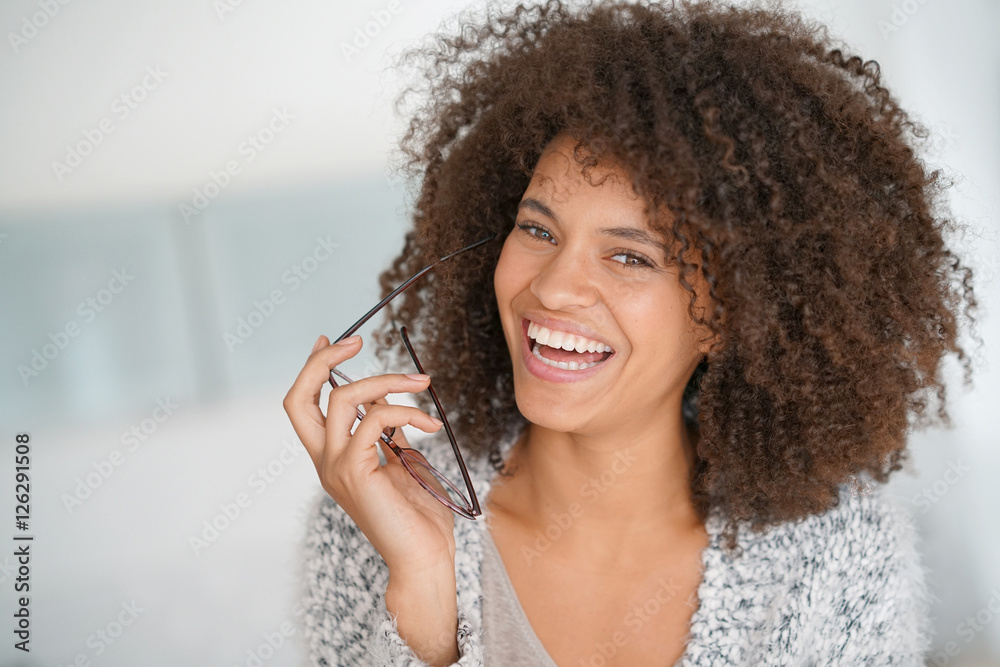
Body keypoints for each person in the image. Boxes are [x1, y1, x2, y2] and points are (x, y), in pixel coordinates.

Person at [283, 1, 976, 664]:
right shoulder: (376, 508)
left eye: (630, 255)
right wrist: (428, 609)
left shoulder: (835, 558)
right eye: (537, 228)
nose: (551, 287)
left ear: (736, 310)